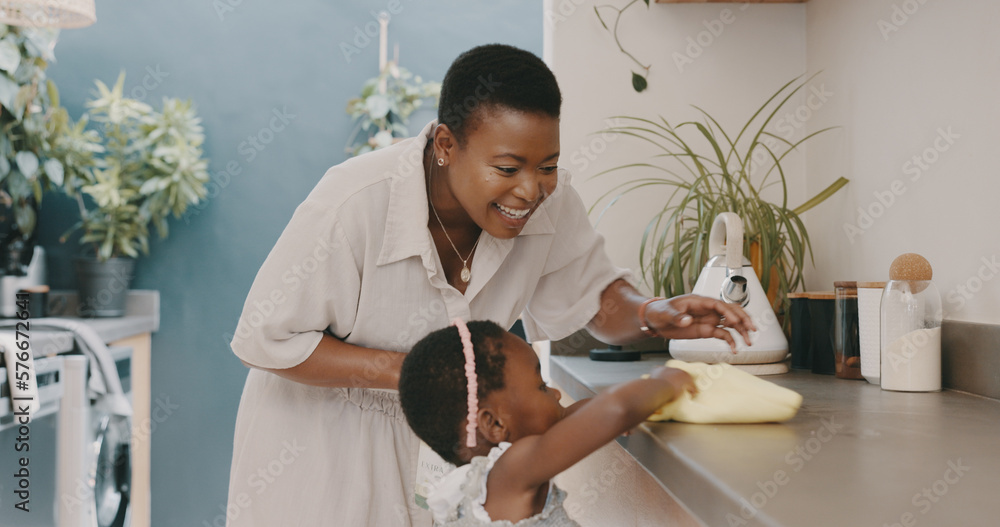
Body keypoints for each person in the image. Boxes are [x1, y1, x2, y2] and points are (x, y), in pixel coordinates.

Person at [226, 43, 755, 526]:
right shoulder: (353, 202)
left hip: (444, 455)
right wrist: (434, 379)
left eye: (548, 165)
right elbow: (266, 340)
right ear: (446, 145)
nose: (530, 189)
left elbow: (597, 299)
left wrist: (653, 315)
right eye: (507, 167)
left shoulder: (552, 202)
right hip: (319, 452)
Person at [398, 319, 697, 526]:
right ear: (494, 425)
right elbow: (615, 410)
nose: (555, 392)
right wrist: (664, 381)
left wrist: (629, 409)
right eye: (541, 386)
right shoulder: (510, 470)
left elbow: (572, 417)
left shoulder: (475, 486)